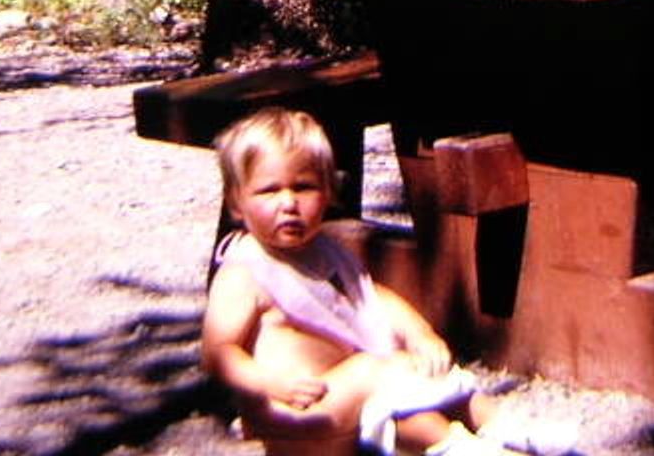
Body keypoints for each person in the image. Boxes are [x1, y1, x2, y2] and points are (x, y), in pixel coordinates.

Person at [202, 107, 553, 456]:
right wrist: (270, 383)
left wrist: (420, 335)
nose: (289, 203)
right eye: (268, 191)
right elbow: (219, 353)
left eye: (304, 187)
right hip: (297, 412)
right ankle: (461, 447)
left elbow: (371, 297)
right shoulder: (244, 273)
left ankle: (498, 429)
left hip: (347, 407)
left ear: (328, 192)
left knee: (410, 401)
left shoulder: (325, 252)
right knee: (380, 370)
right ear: (236, 203)